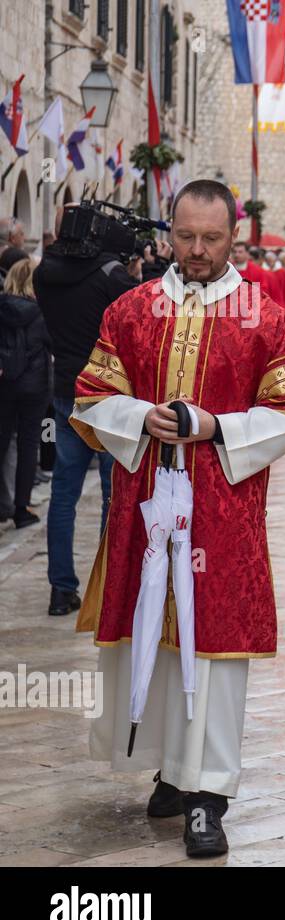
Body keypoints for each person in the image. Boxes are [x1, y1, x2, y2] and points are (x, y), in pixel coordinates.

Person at [70, 179, 285, 859]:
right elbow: (92, 395)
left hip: (224, 513)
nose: (198, 250)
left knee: (213, 649)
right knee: (149, 636)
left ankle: (207, 795)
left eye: (212, 239)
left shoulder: (263, 316)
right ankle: (165, 767)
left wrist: (217, 427)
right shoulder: (132, 308)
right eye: (186, 236)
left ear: (234, 237)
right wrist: (135, 417)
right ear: (170, 233)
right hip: (145, 505)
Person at [32, 204, 138, 615]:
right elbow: (138, 317)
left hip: (65, 390)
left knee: (63, 495)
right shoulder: (110, 275)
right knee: (114, 495)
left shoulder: (44, 273)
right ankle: (109, 585)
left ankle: (61, 589)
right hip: (108, 393)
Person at [0, 258, 52, 529]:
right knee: (28, 445)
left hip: (5, 382)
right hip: (34, 386)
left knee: (2, 442)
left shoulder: (2, 308)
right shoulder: (41, 312)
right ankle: (21, 508)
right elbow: (53, 344)